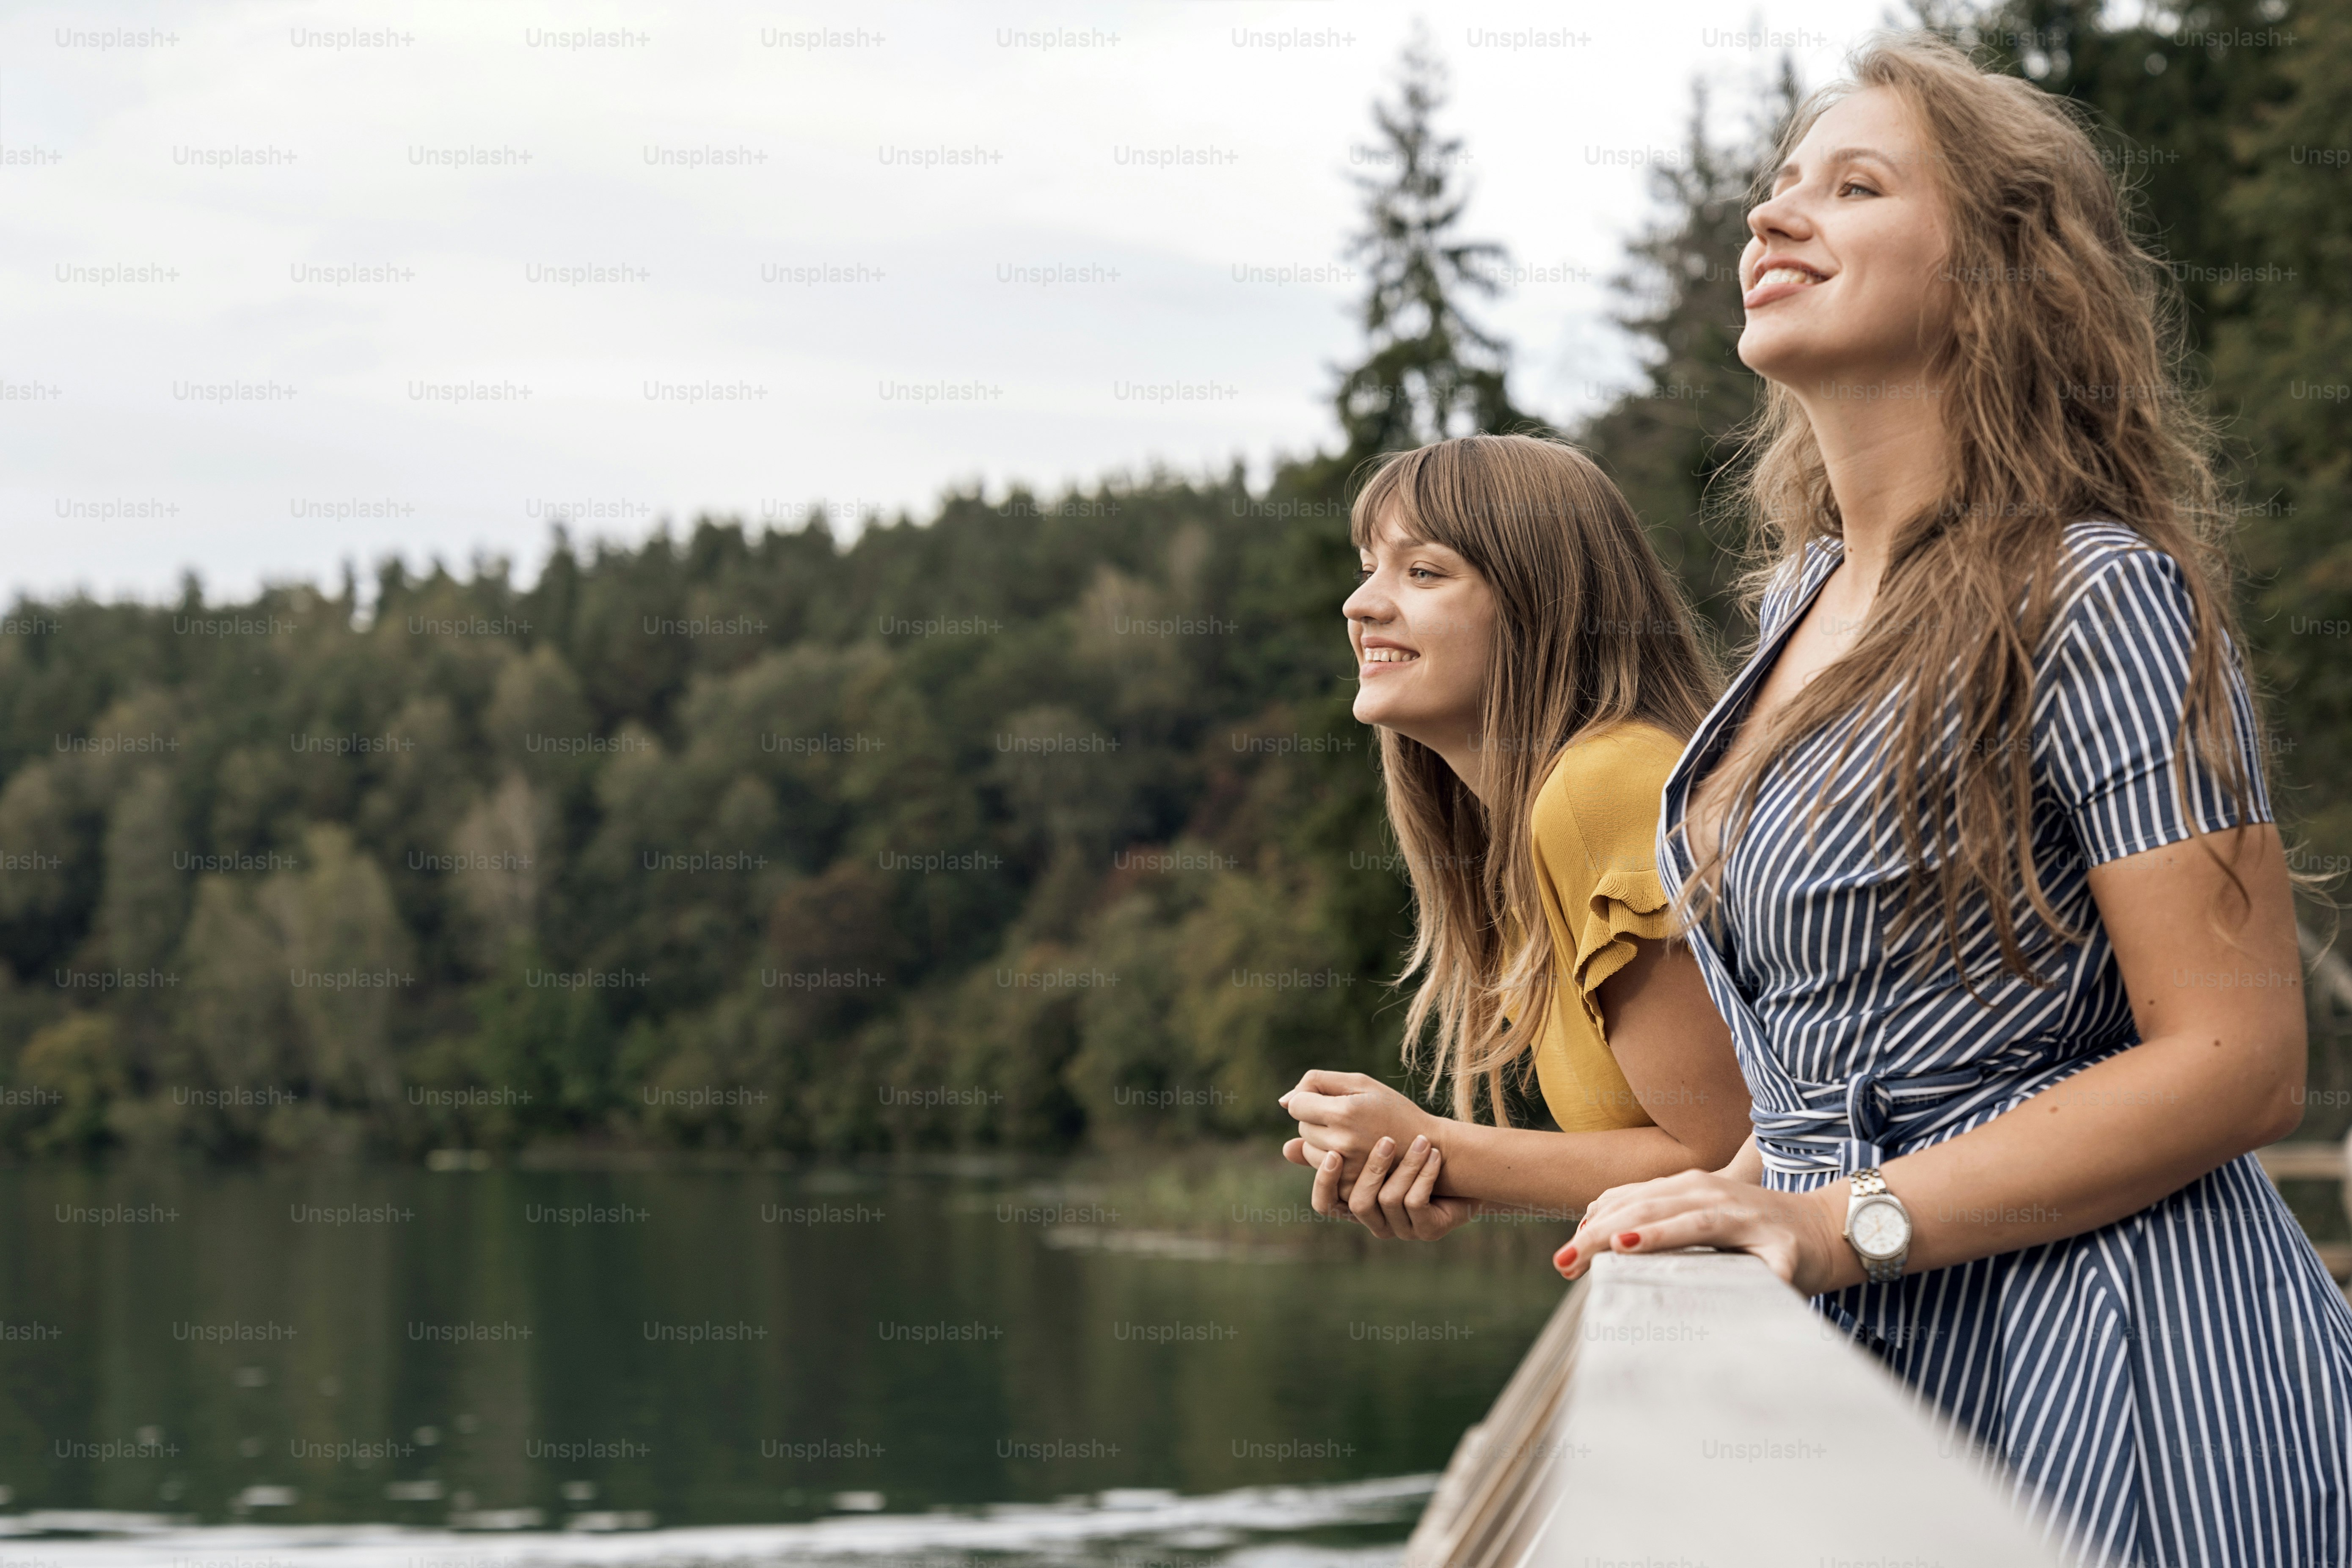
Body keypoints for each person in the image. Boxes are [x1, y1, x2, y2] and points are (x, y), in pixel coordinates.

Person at [1552, 33, 2352, 1566]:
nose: (1772, 219)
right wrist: (1719, 1194)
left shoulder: (2092, 590)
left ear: (1994, 274)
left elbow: (2238, 1057)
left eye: (1850, 187)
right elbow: (1838, 1047)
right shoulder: (1799, 598)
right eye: (1775, 188)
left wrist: (1829, 1220)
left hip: (2113, 1364)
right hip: (1864, 1361)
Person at [1280, 433, 1750, 1238]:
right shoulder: (1539, 822)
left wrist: (1439, 1143)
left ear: (1540, 603)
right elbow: (1682, 1151)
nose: (1360, 606)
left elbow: (1731, 1153)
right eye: (1368, 570)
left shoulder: (1604, 784)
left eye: (1422, 571)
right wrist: (1451, 1174)